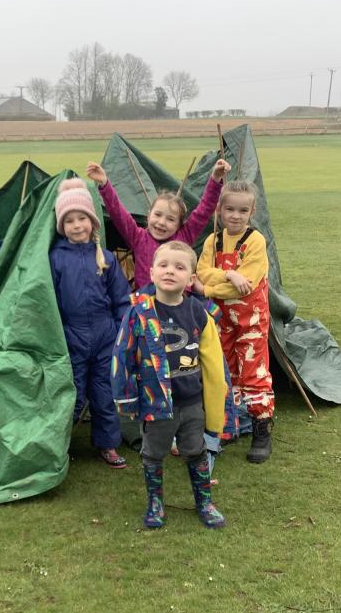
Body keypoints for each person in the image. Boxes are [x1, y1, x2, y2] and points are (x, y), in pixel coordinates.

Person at [112, 241, 231, 529]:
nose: (170, 271)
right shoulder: (139, 312)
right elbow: (121, 354)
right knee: (153, 453)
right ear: (151, 273)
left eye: (179, 267)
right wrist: (125, 397)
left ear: (191, 279)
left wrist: (220, 403)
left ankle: (204, 501)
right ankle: (155, 503)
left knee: (196, 451)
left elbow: (215, 362)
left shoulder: (197, 313)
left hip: (192, 402)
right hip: (156, 404)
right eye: (163, 265)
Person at [50, 178, 132, 468]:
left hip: (104, 336)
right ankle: (60, 446)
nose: (76, 225)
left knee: (104, 393)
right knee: (71, 394)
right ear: (62, 226)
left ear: (92, 222)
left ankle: (108, 445)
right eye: (69, 220)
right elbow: (50, 301)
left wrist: (121, 331)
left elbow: (121, 299)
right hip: (72, 335)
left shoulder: (106, 258)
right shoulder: (56, 258)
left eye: (81, 218)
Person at [197, 180, 274, 463]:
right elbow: (202, 271)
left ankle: (262, 431)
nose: (235, 215)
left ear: (251, 212)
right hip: (221, 320)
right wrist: (229, 275)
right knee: (225, 373)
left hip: (250, 321)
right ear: (219, 210)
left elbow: (248, 284)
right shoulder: (212, 241)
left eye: (242, 210)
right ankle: (229, 427)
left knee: (253, 373)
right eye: (230, 209)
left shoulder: (255, 241)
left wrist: (208, 289)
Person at [86, 159, 230, 289]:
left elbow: (204, 210)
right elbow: (118, 213)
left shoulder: (184, 237)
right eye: (158, 215)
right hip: (148, 305)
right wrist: (105, 184)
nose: (162, 222)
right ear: (149, 216)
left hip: (178, 304)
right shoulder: (139, 238)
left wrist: (215, 179)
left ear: (179, 225)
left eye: (170, 219)